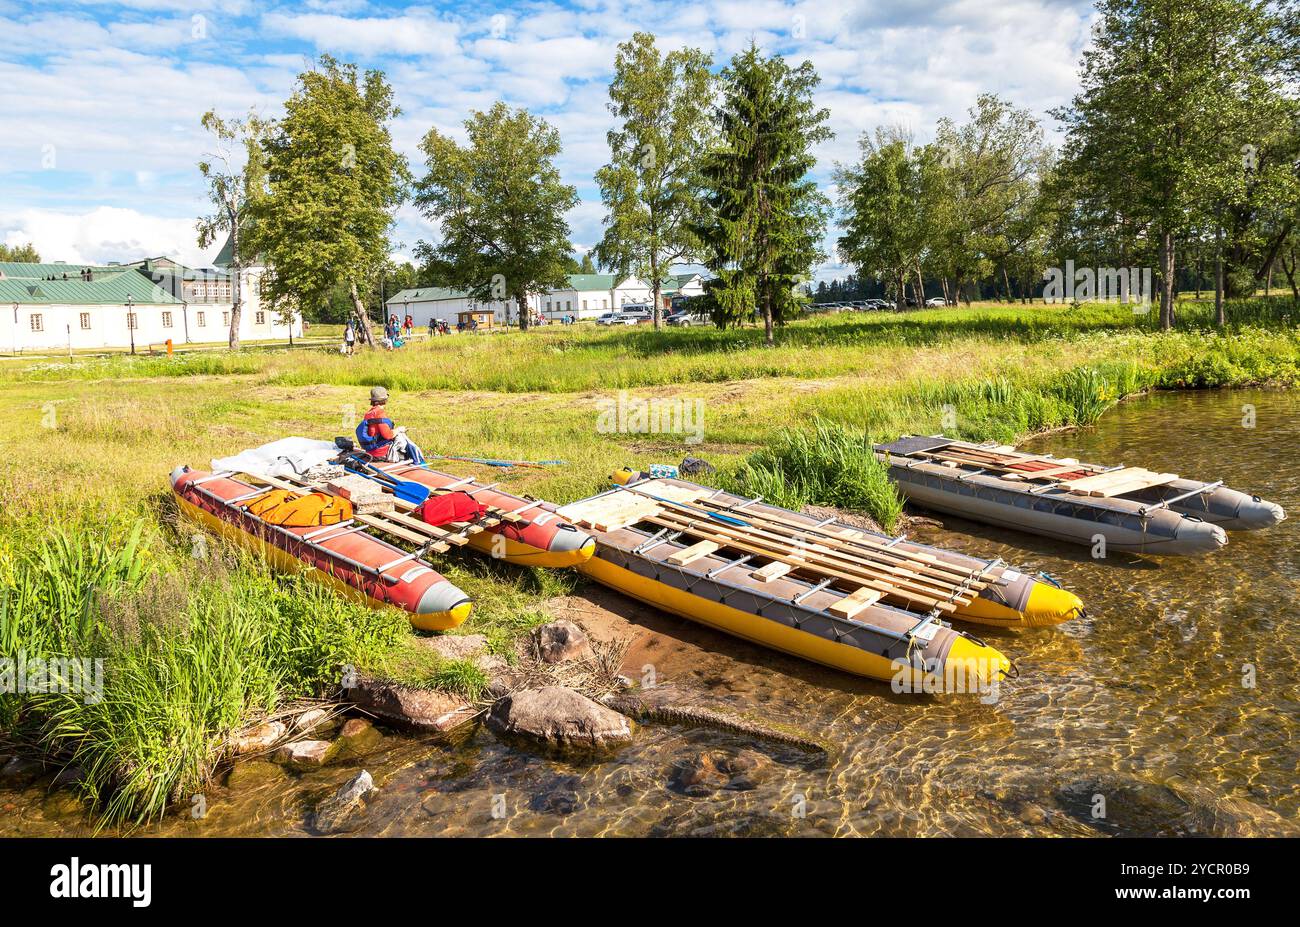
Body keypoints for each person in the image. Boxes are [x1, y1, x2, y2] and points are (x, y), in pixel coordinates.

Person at [355, 386, 425, 463]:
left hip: (371, 451)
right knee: (404, 442)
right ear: (385, 400)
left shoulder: (368, 413)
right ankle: (418, 462)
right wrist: (399, 429)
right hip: (381, 452)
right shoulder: (380, 413)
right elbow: (387, 435)